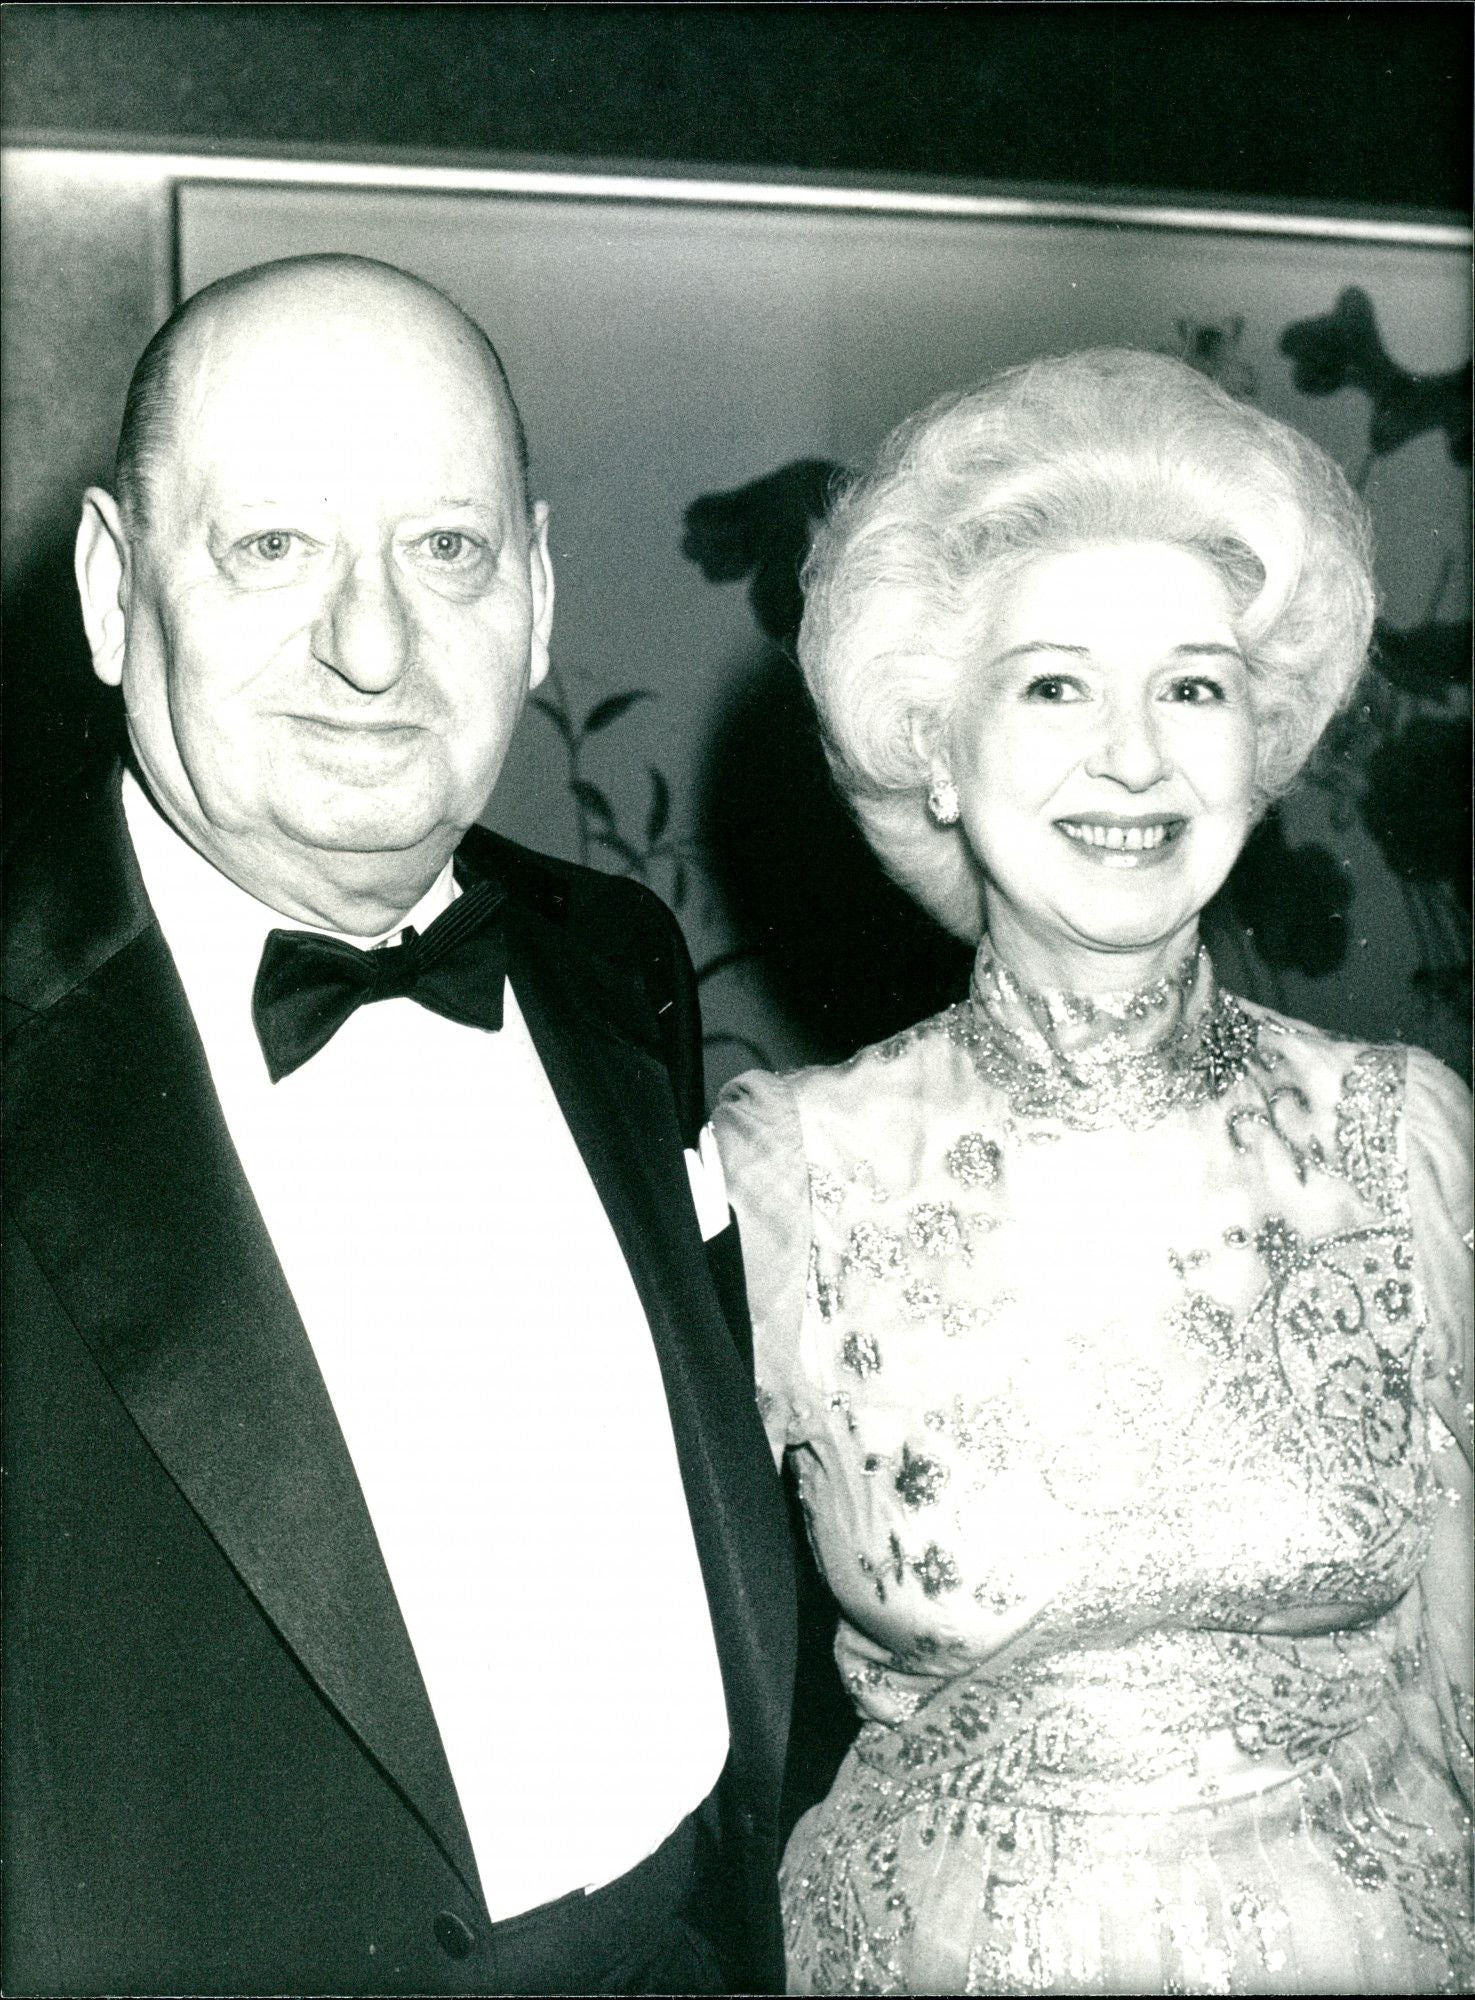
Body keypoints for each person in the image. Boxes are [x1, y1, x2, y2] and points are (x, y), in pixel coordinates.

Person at [3, 254, 794, 1997]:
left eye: (446, 551)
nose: (373, 649)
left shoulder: (613, 962)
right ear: (114, 590)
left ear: (539, 592)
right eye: (272, 546)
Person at [713, 349, 1473, 1995]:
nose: (1132, 760)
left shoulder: (1400, 1131)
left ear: (1258, 745)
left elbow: (1468, 1665)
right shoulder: (788, 1169)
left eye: (1192, 688)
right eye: (1054, 686)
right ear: (936, 741)